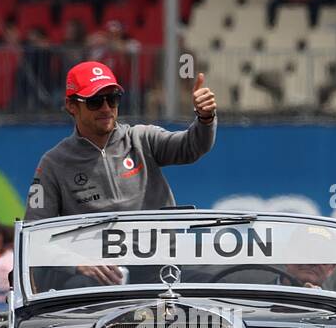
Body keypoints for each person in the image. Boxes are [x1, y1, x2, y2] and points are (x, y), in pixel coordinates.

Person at [27, 60, 218, 282]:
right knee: (79, 284)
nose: (106, 108)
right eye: (95, 102)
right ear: (71, 106)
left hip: (162, 264)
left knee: (220, 284)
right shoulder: (53, 163)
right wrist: (76, 263)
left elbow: (192, 146)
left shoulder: (142, 138)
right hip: (105, 277)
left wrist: (205, 118)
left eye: (113, 99)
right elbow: (34, 234)